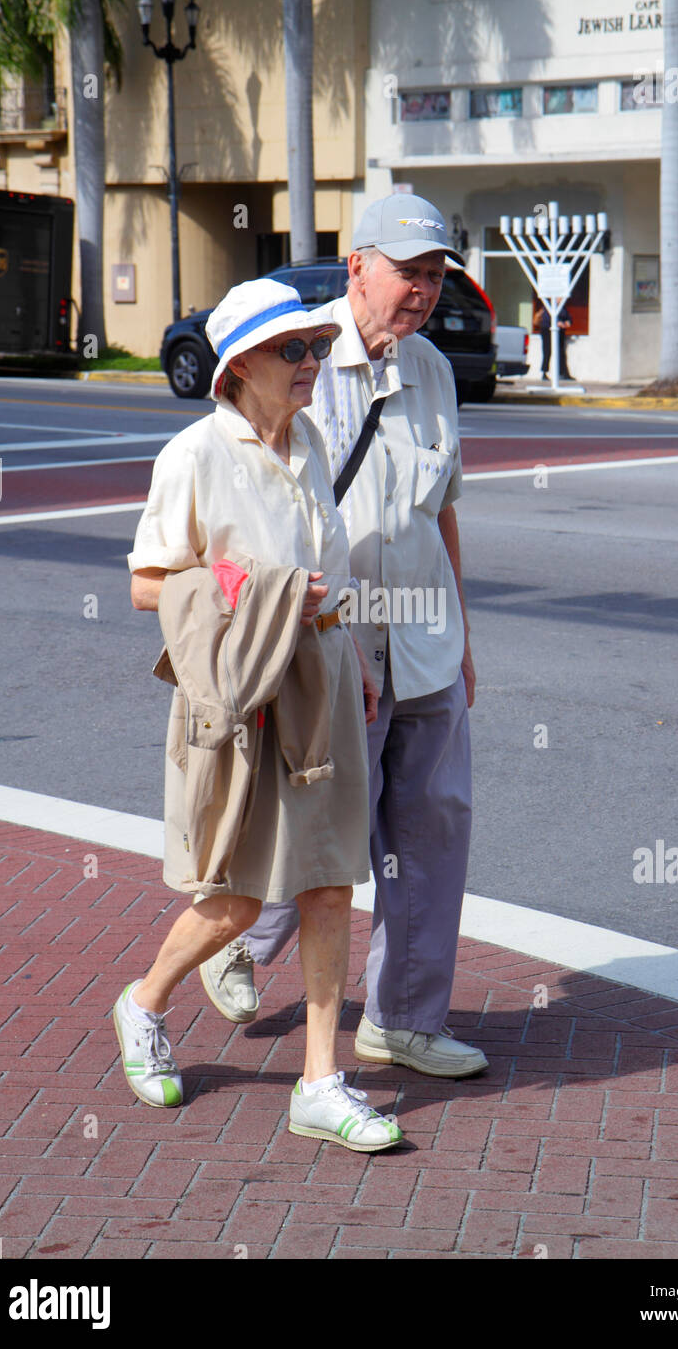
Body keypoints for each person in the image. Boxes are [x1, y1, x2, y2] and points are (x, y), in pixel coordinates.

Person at [202, 193, 489, 1080]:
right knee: (319, 826)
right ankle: (233, 938)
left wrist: (465, 632)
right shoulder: (296, 353)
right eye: (411, 271)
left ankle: (402, 1019)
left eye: (438, 274)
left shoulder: (435, 371)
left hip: (424, 638)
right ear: (357, 263)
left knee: (433, 830)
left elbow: (441, 510)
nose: (426, 289)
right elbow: (236, 503)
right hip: (328, 640)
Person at [115, 278, 403, 1153]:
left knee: (328, 881)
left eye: (315, 347)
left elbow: (327, 573)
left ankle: (320, 1080)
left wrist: (347, 653)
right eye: (295, 351)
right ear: (241, 366)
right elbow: (146, 584)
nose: (314, 362)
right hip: (243, 690)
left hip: (319, 673)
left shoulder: (309, 439)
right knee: (238, 899)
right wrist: (252, 589)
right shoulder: (196, 456)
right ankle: (145, 1001)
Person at [534, 298, 574, 381]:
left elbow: (568, 317)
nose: (561, 299)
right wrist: (557, 322)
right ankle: (544, 373)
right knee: (547, 351)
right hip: (547, 330)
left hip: (559, 332)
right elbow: (547, 317)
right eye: (560, 297)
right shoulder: (548, 306)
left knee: (561, 352)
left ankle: (563, 373)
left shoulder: (562, 307)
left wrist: (568, 322)